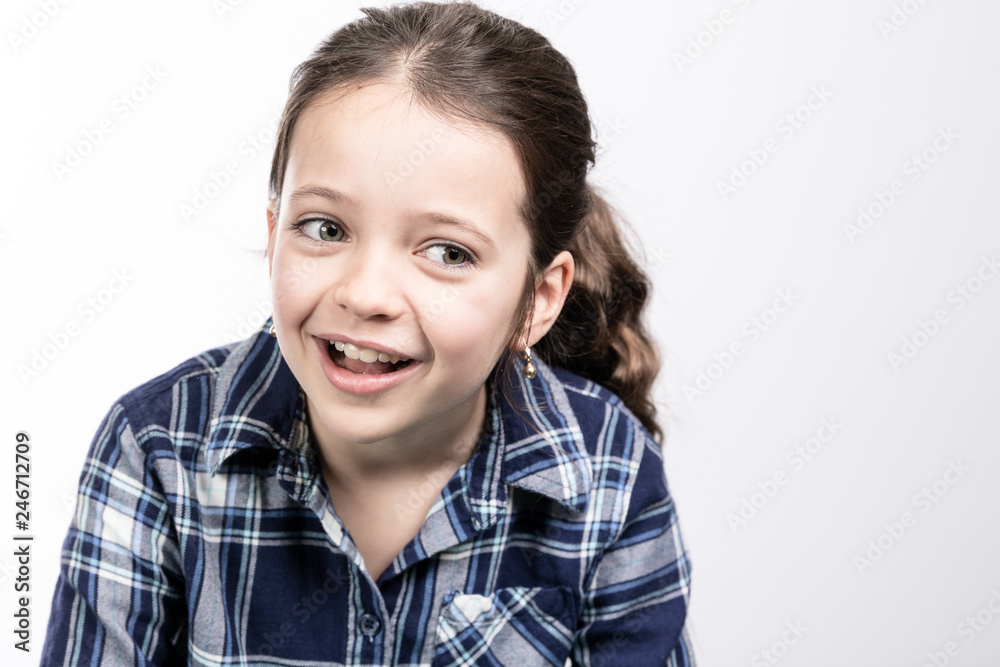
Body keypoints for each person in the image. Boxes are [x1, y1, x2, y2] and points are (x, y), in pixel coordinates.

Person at [41, 2, 694, 664]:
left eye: (448, 252)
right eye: (326, 229)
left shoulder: (612, 475)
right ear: (275, 235)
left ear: (538, 299)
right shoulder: (156, 448)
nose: (364, 294)